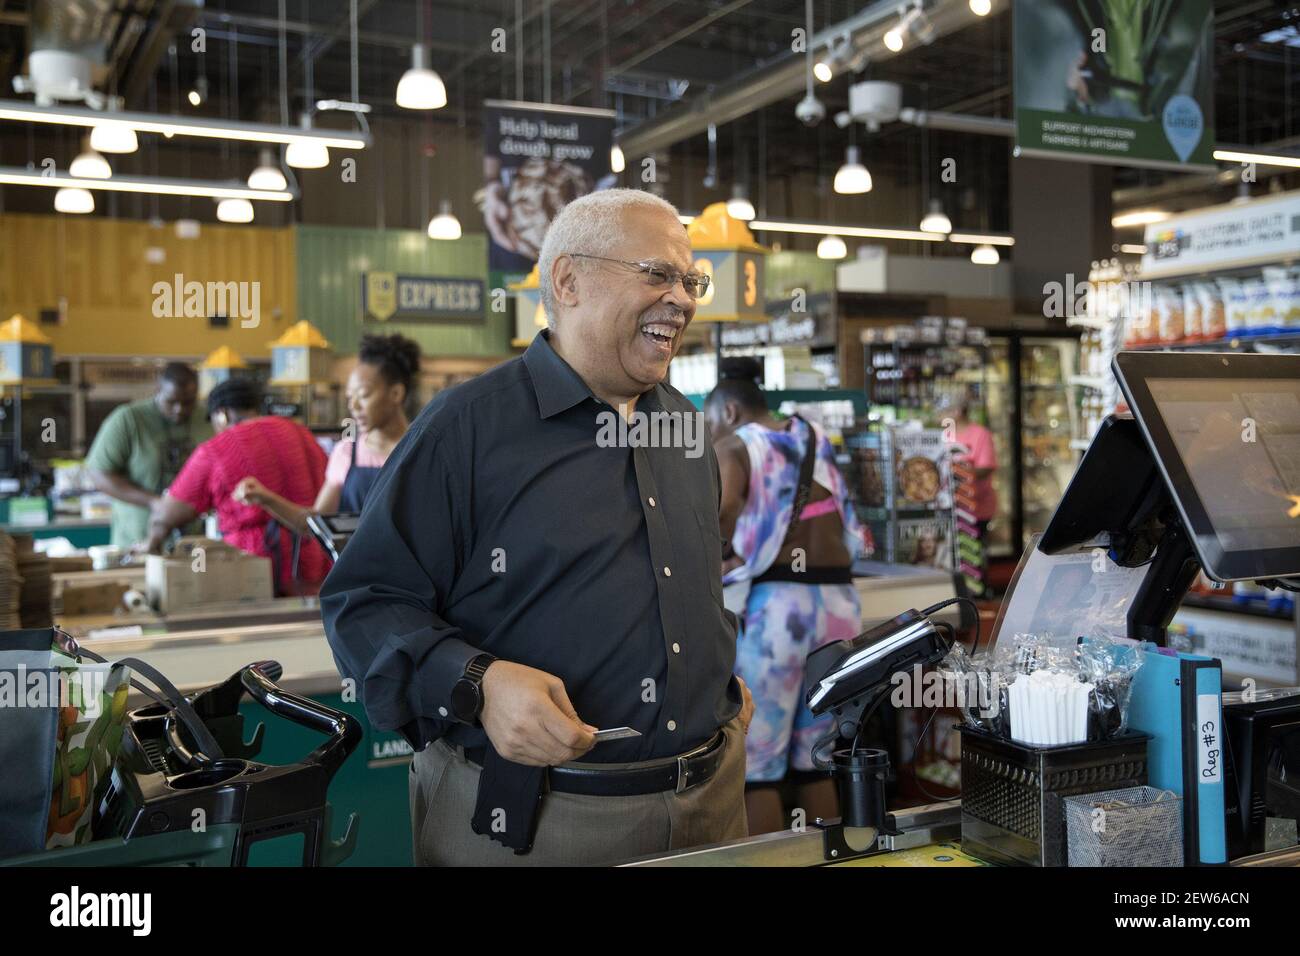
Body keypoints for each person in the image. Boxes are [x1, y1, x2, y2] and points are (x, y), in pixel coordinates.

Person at [321, 188, 754, 866]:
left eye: (690, 279)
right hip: (542, 821)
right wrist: (477, 680)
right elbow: (363, 604)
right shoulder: (465, 429)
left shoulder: (688, 430)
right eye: (657, 273)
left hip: (714, 806)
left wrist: (718, 677)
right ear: (568, 280)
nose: (684, 297)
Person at [704, 361, 868, 835]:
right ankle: (834, 858)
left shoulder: (737, 445)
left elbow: (723, 514)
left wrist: (715, 556)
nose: (711, 435)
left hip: (780, 612)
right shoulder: (812, 436)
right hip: (840, 604)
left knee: (758, 762)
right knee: (816, 757)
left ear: (729, 411)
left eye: (712, 424)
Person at [141, 378, 329, 592]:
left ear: (222, 414)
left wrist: (151, 542)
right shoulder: (304, 435)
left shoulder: (217, 449)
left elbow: (167, 514)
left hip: (257, 573)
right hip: (320, 564)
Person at [233, 333, 420, 531]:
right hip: (359, 563)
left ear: (396, 393)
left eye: (363, 395)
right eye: (350, 397)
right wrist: (266, 498)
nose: (354, 406)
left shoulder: (424, 451)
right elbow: (314, 525)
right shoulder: (347, 453)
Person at [85, 363, 209, 549]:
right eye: (171, 401)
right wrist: (154, 502)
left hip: (196, 543)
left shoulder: (207, 419)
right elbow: (98, 474)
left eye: (188, 402)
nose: (179, 409)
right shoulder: (128, 419)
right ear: (157, 390)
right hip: (137, 543)